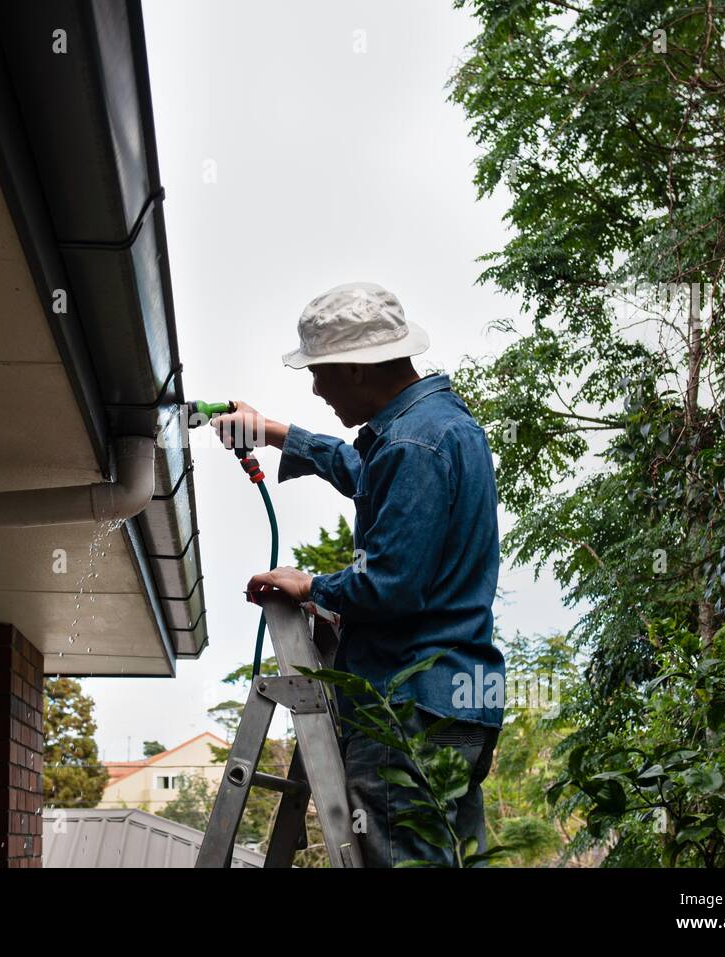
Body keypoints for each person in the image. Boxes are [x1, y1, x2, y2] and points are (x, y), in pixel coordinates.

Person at [211, 281, 505, 867]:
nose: (317, 388)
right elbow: (369, 471)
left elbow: (389, 586)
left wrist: (313, 587)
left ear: (357, 369)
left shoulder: (411, 445)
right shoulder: (436, 426)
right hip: (456, 702)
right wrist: (276, 433)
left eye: (320, 373)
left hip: (408, 706)